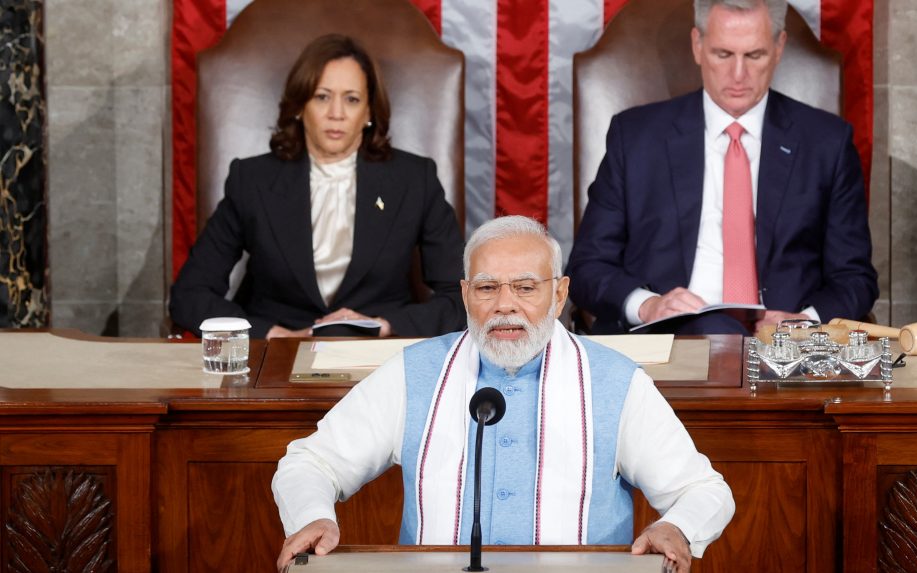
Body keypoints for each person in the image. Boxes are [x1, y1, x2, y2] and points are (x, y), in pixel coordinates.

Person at [272, 216, 734, 572]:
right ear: (465, 294)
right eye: (487, 288)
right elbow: (311, 462)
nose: (504, 305)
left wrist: (676, 527)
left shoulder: (614, 381)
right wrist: (313, 516)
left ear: (559, 295)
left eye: (526, 288)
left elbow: (702, 490)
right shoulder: (415, 373)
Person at [566, 0, 878, 335]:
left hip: (779, 345)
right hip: (664, 340)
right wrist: (647, 305)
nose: (738, 75)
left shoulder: (827, 143)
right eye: (723, 54)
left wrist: (804, 323)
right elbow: (587, 267)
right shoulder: (636, 137)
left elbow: (854, 277)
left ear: (778, 48)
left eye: (754, 55)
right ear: (697, 46)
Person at [169, 34, 465, 339]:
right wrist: (272, 335)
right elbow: (189, 295)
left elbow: (463, 296)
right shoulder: (252, 180)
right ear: (300, 106)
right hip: (277, 355)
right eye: (322, 97)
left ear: (369, 112)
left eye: (352, 99)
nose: (336, 113)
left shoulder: (414, 179)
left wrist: (386, 325)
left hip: (377, 353)